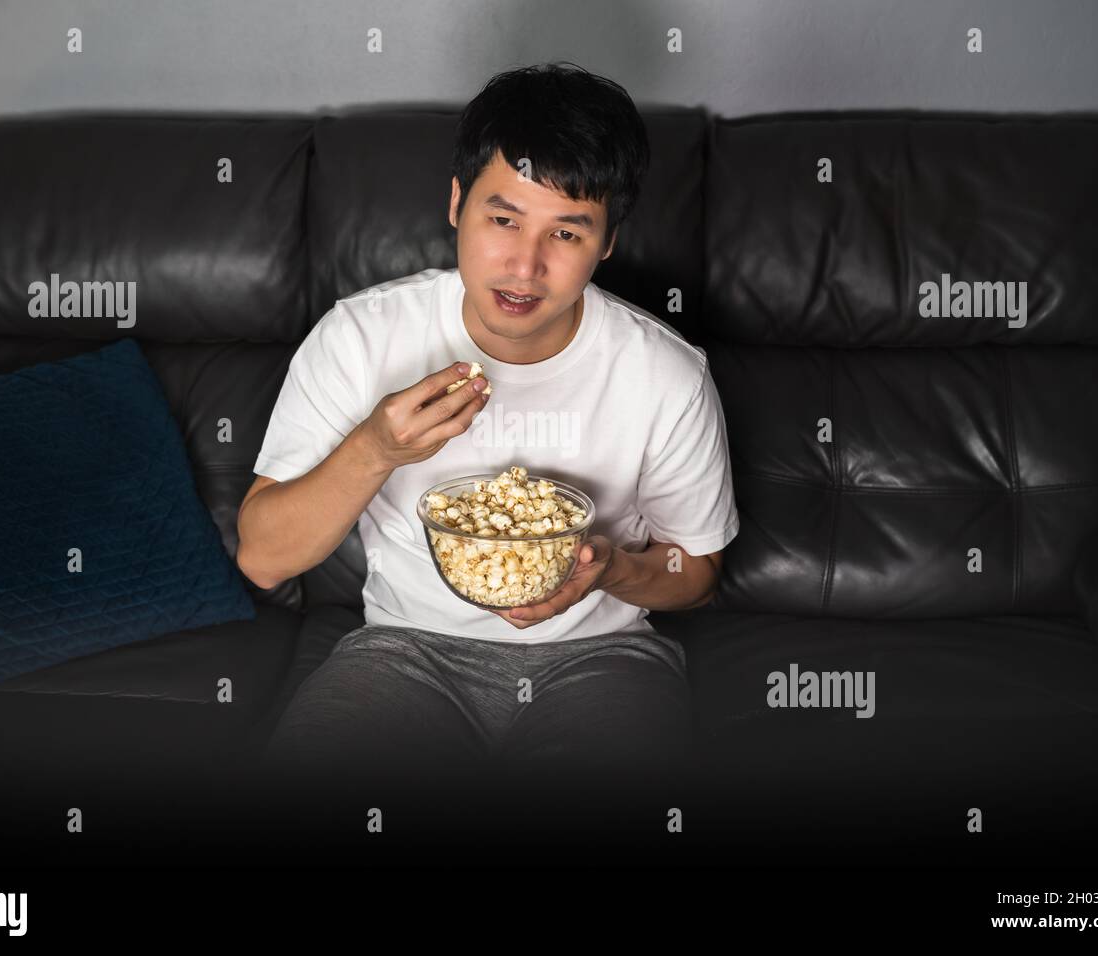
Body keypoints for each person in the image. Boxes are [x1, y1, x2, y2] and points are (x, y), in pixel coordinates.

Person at [236, 62, 739, 814]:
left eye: (566, 232)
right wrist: (375, 449)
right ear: (455, 203)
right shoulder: (360, 339)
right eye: (503, 220)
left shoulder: (665, 373)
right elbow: (263, 558)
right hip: (403, 653)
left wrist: (608, 572)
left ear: (606, 243)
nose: (525, 267)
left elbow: (694, 574)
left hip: (603, 660)